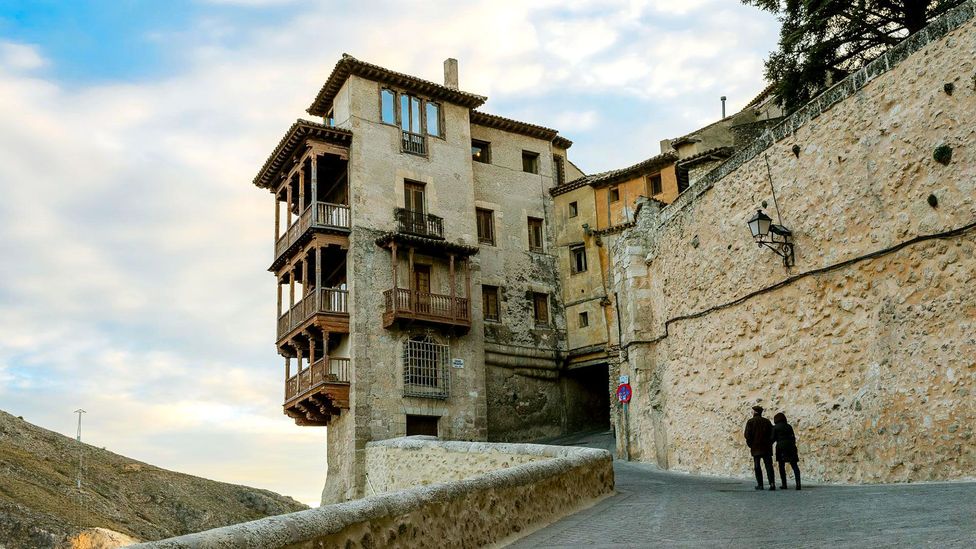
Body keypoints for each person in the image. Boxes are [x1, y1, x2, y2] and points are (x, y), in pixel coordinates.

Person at [743, 405, 775, 490]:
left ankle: (760, 485)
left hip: (756, 447)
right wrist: (770, 443)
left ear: (755, 412)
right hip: (766, 447)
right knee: (769, 466)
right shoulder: (767, 421)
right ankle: (772, 483)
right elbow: (773, 433)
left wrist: (751, 444)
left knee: (757, 466)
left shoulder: (750, 422)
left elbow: (747, 435)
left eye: (752, 411)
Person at [773, 412, 801, 490]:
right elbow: (793, 437)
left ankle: (784, 484)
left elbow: (772, 438)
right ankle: (798, 484)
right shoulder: (789, 426)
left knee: (781, 466)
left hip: (781, 447)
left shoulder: (775, 427)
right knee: (794, 465)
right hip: (791, 446)